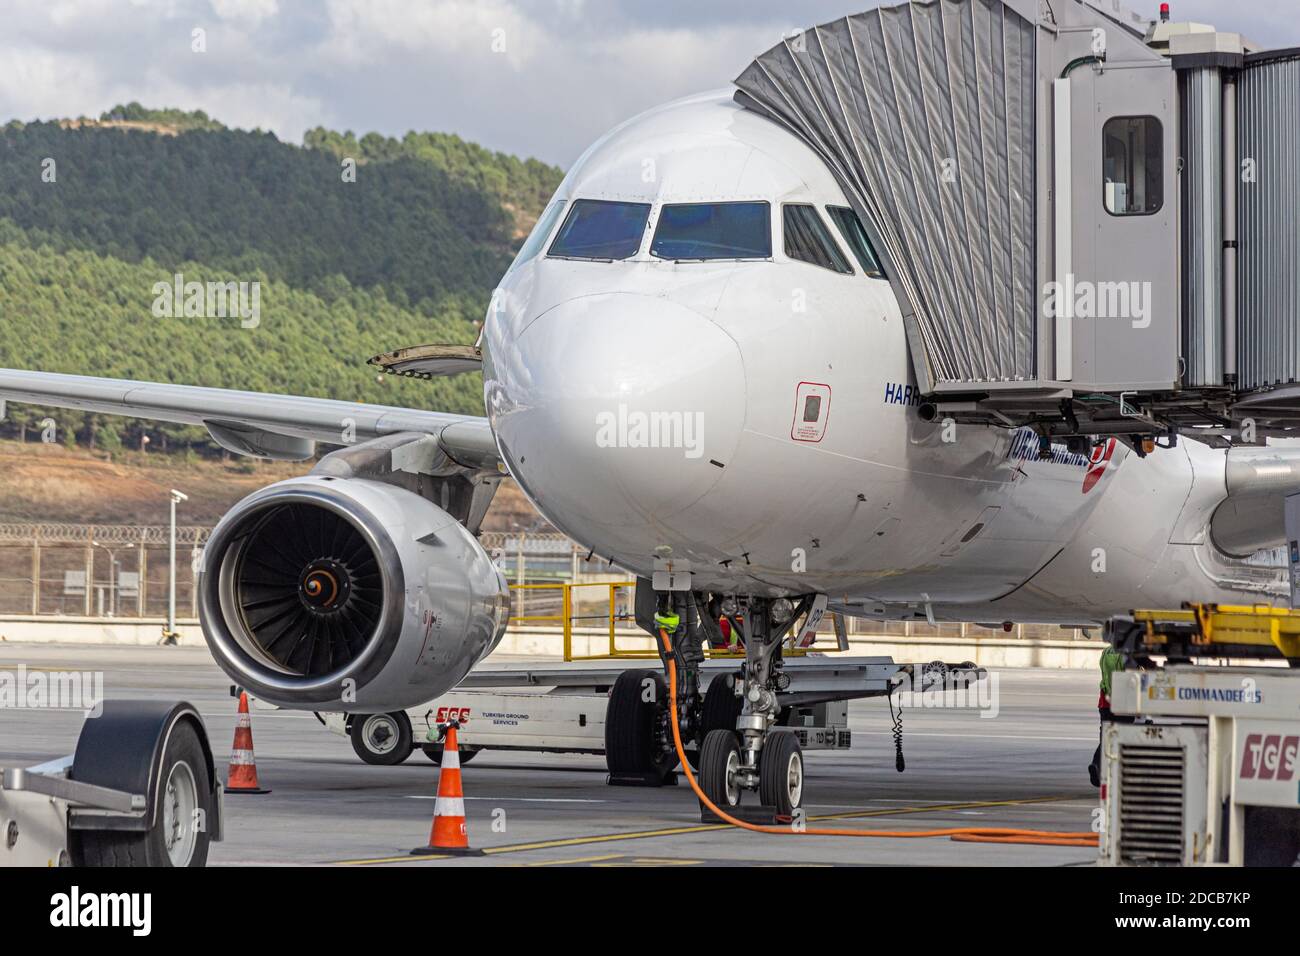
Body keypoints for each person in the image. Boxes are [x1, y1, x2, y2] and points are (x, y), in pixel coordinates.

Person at [1089, 645, 1125, 787]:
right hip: (1123, 703)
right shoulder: (1126, 654)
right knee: (1123, 738)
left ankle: (1098, 766)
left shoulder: (1106, 652)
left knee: (1106, 737)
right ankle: (1112, 772)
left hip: (1105, 702)